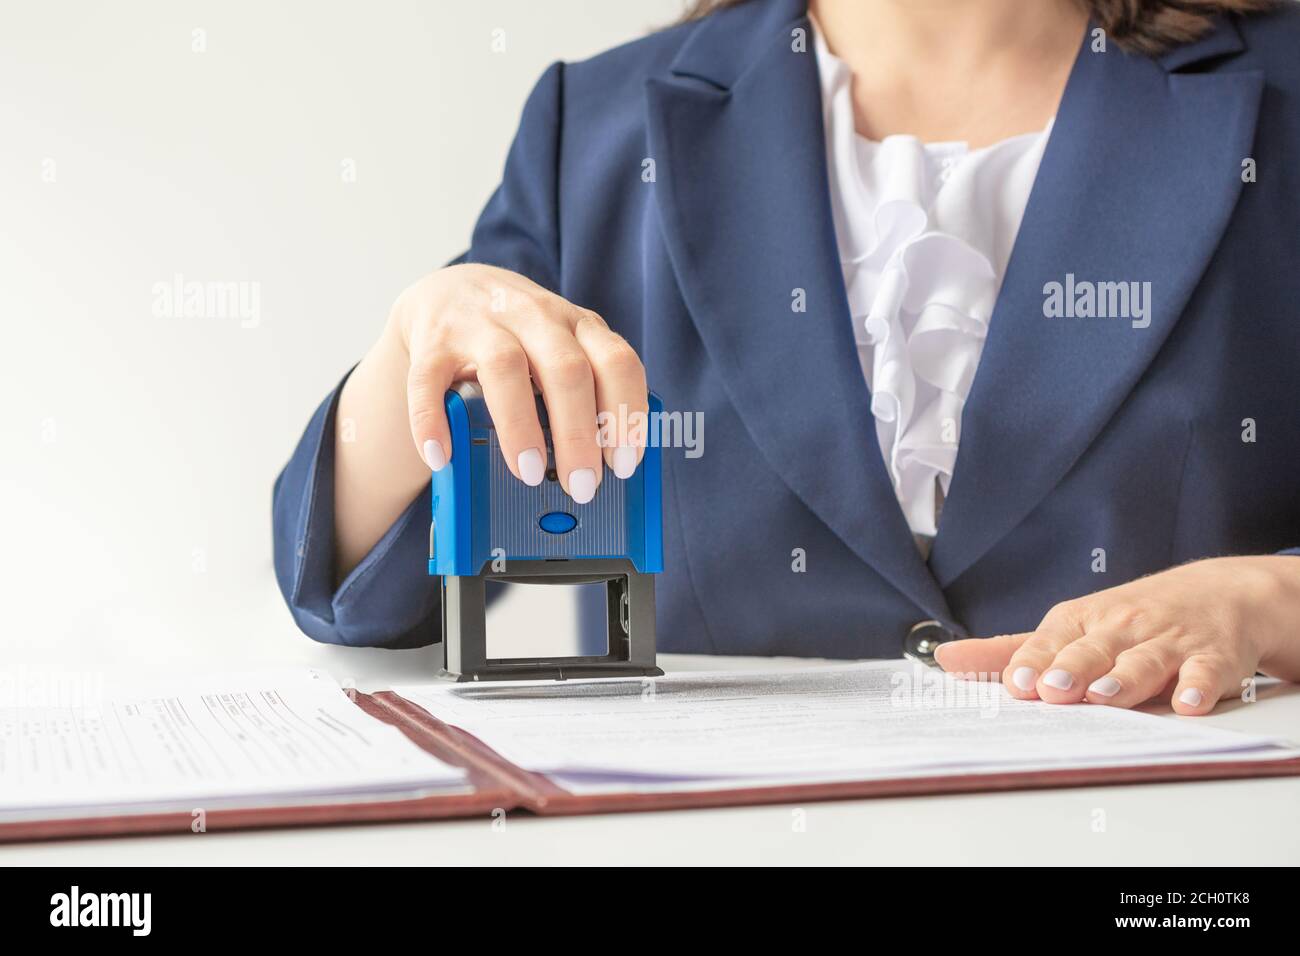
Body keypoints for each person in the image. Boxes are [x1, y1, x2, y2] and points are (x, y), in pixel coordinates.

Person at [273, 0, 1300, 714]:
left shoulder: (1280, 96)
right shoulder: (594, 124)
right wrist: (413, 342)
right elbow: (362, 583)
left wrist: (1272, 599)